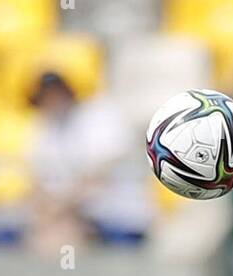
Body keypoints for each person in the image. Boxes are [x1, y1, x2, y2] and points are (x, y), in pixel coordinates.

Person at [27, 70, 151, 253]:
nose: (51, 101)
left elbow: (99, 176)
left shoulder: (99, 117)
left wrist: (58, 209)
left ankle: (67, 271)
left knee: (61, 238)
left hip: (118, 216)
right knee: (45, 238)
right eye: (46, 97)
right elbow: (38, 181)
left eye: (54, 94)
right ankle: (64, 272)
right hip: (78, 217)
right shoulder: (46, 127)